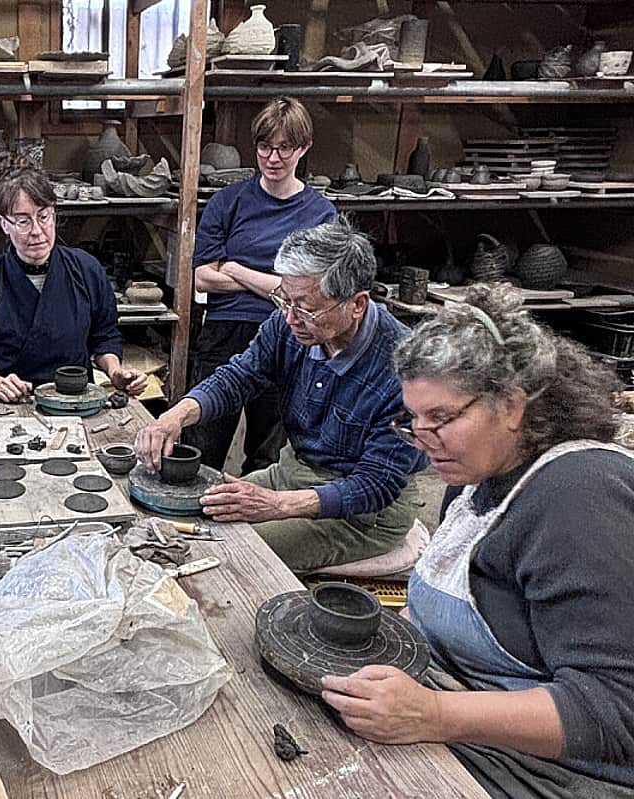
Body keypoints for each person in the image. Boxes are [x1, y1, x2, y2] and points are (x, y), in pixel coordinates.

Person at [321, 285, 634, 798]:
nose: (423, 440)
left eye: (441, 419)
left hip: (560, 775)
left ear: (511, 405)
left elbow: (617, 709)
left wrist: (435, 714)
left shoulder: (579, 493)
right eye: (412, 422)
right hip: (466, 723)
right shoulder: (477, 480)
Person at [135, 218, 425, 573]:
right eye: (284, 300)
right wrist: (175, 415)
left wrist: (278, 505)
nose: (290, 317)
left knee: (229, 559)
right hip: (291, 472)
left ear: (358, 304)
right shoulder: (290, 324)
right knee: (192, 515)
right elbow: (240, 376)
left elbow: (375, 485)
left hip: (365, 514)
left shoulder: (406, 369)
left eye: (305, 307)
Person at [187, 96, 336, 472]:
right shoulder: (228, 201)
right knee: (202, 442)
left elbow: (307, 292)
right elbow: (202, 277)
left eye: (285, 148)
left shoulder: (319, 213)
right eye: (265, 147)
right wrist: (272, 284)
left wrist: (235, 267)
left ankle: (255, 525)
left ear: (304, 148)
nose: (273, 158)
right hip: (225, 330)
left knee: (268, 453)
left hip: (290, 333)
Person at [0, 167, 148, 401]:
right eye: (23, 221)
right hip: (7, 403)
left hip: (74, 399)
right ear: (4, 224)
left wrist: (115, 371)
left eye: (44, 217)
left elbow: (104, 336)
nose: (37, 231)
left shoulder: (86, 270)